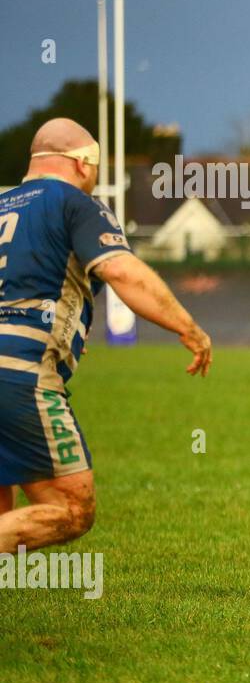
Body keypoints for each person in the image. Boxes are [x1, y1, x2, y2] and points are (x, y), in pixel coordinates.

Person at [0, 118, 212, 553]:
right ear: (82, 164)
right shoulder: (72, 202)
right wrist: (188, 328)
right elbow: (120, 270)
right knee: (73, 508)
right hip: (19, 371)